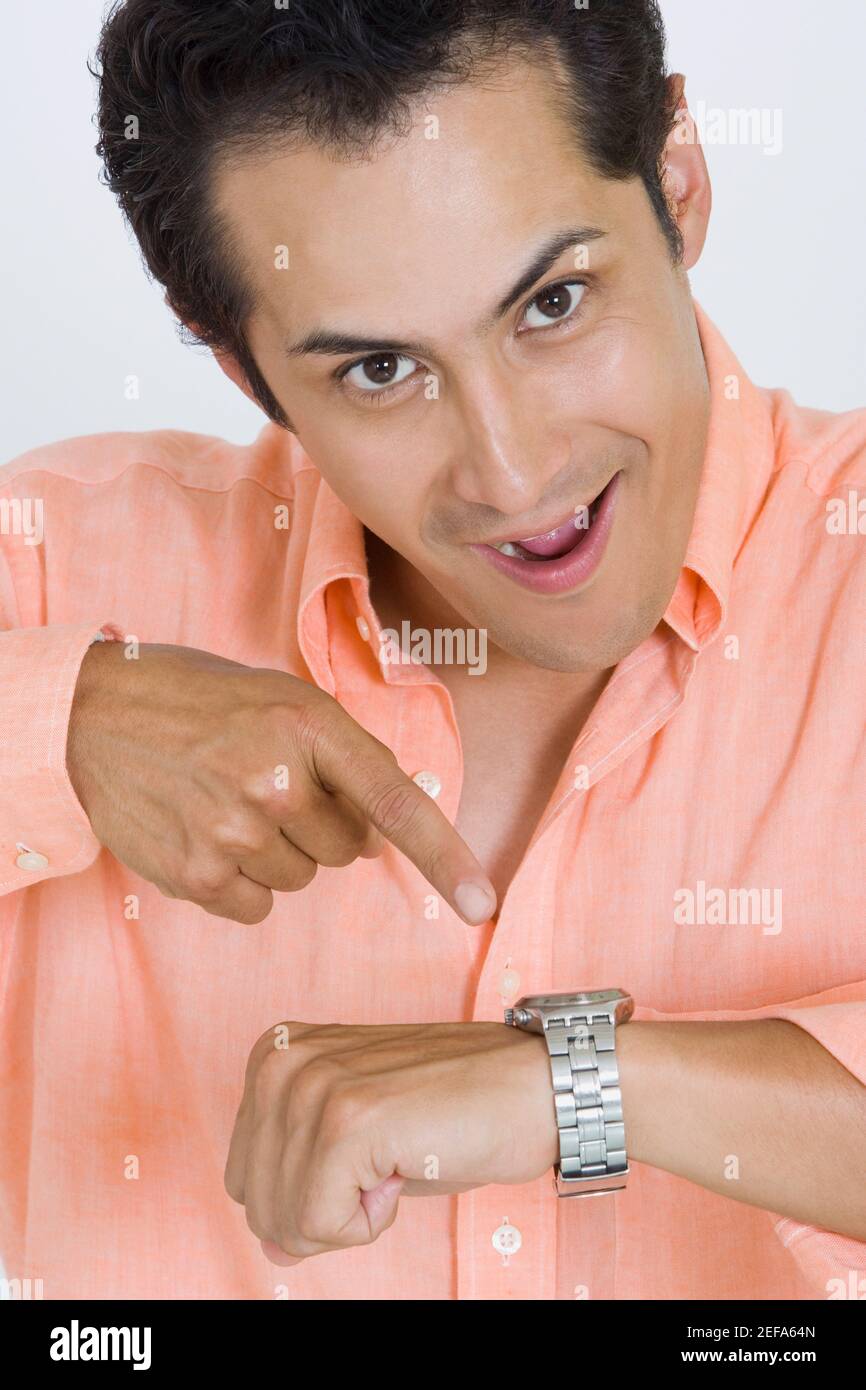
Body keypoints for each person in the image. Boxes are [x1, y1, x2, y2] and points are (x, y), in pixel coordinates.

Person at [1, 0, 864, 1301]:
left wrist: (581, 1087)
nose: (514, 471)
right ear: (238, 367)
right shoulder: (58, 566)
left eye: (554, 302)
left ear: (675, 182)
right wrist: (54, 717)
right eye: (379, 372)